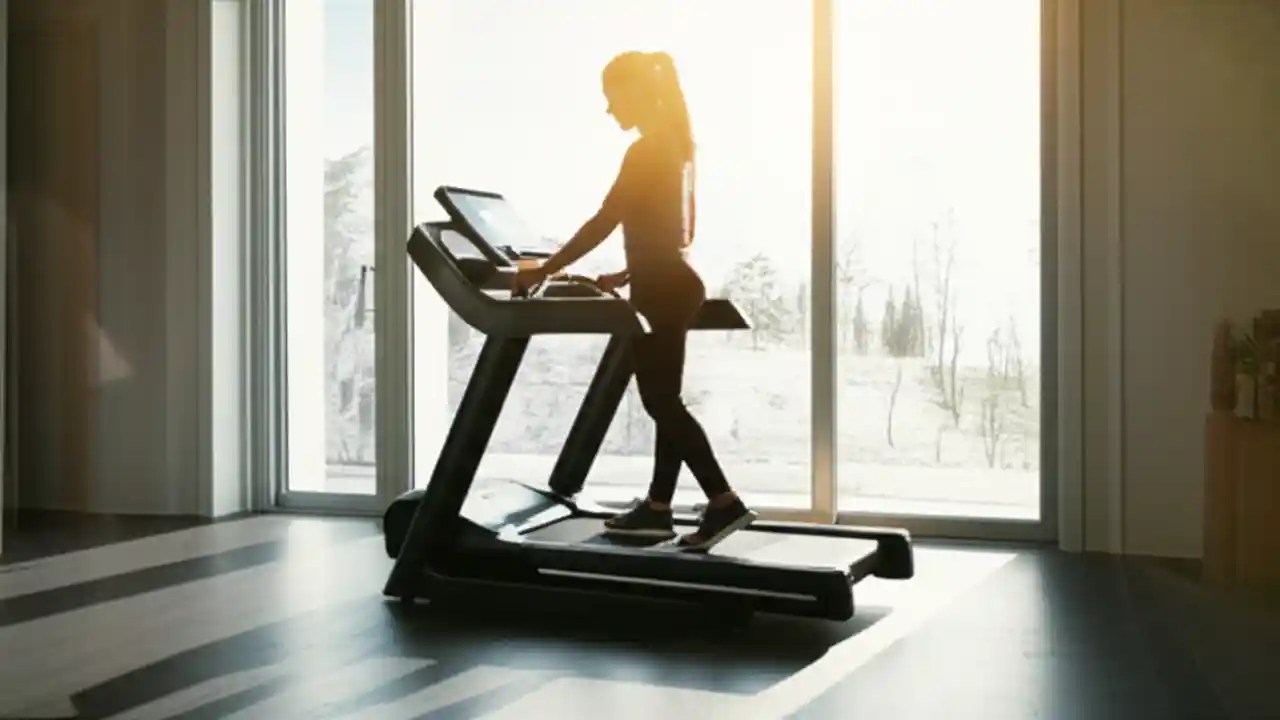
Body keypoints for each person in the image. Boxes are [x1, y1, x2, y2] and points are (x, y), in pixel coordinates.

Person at [512, 50, 756, 552]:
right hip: (670, 281)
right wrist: (627, 271)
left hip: (662, 289)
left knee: (661, 402)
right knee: (667, 401)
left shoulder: (648, 151)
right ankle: (658, 509)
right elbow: (665, 229)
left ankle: (724, 501)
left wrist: (545, 268)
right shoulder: (676, 146)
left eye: (611, 97)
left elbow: (607, 217)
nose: (608, 110)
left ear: (635, 94)